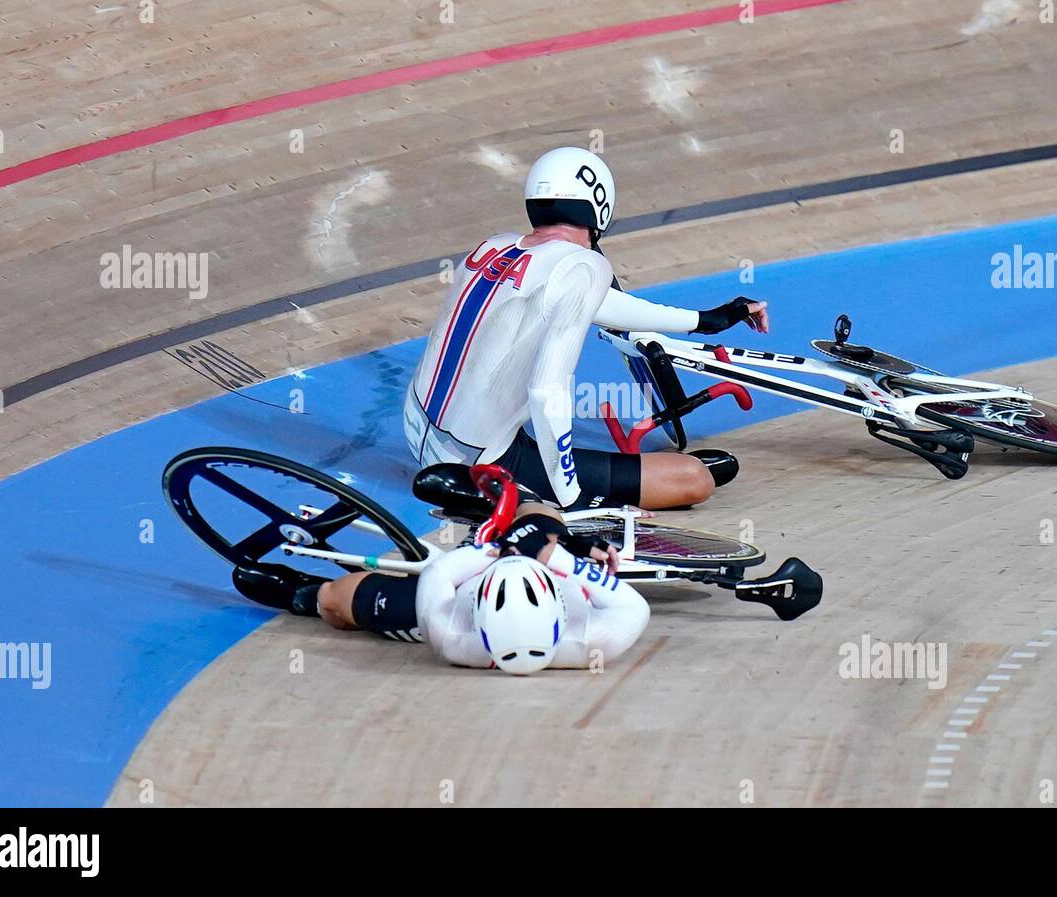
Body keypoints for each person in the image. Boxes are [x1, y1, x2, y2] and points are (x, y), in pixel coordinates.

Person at [403, 145, 769, 511]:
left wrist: (706, 321)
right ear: (601, 208)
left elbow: (606, 306)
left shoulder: (494, 246)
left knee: (685, 470)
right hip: (482, 462)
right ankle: (539, 495)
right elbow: (547, 392)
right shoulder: (585, 267)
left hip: (420, 429)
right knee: (694, 479)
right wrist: (570, 496)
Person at [230, 498, 649, 675]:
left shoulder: (451, 637)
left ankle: (306, 596)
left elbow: (440, 576)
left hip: (458, 589)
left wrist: (497, 554)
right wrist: (558, 552)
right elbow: (636, 608)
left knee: (337, 601)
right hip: (499, 574)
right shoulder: (602, 638)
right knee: (538, 508)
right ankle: (491, 503)